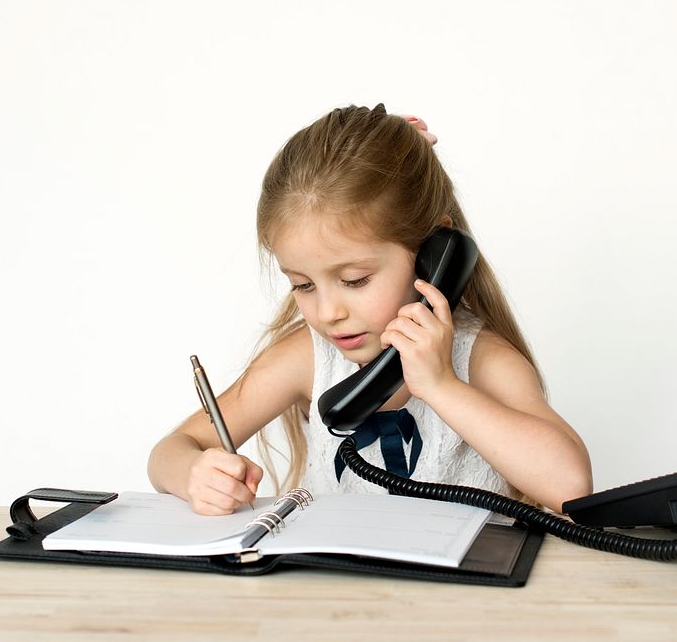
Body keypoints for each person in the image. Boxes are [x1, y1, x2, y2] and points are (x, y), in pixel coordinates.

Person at [148, 104, 592, 515]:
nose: (328, 313)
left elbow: (571, 485)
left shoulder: (482, 359)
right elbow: (170, 451)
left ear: (432, 255)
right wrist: (193, 474)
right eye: (303, 285)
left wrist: (441, 385)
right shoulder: (308, 357)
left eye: (355, 280)